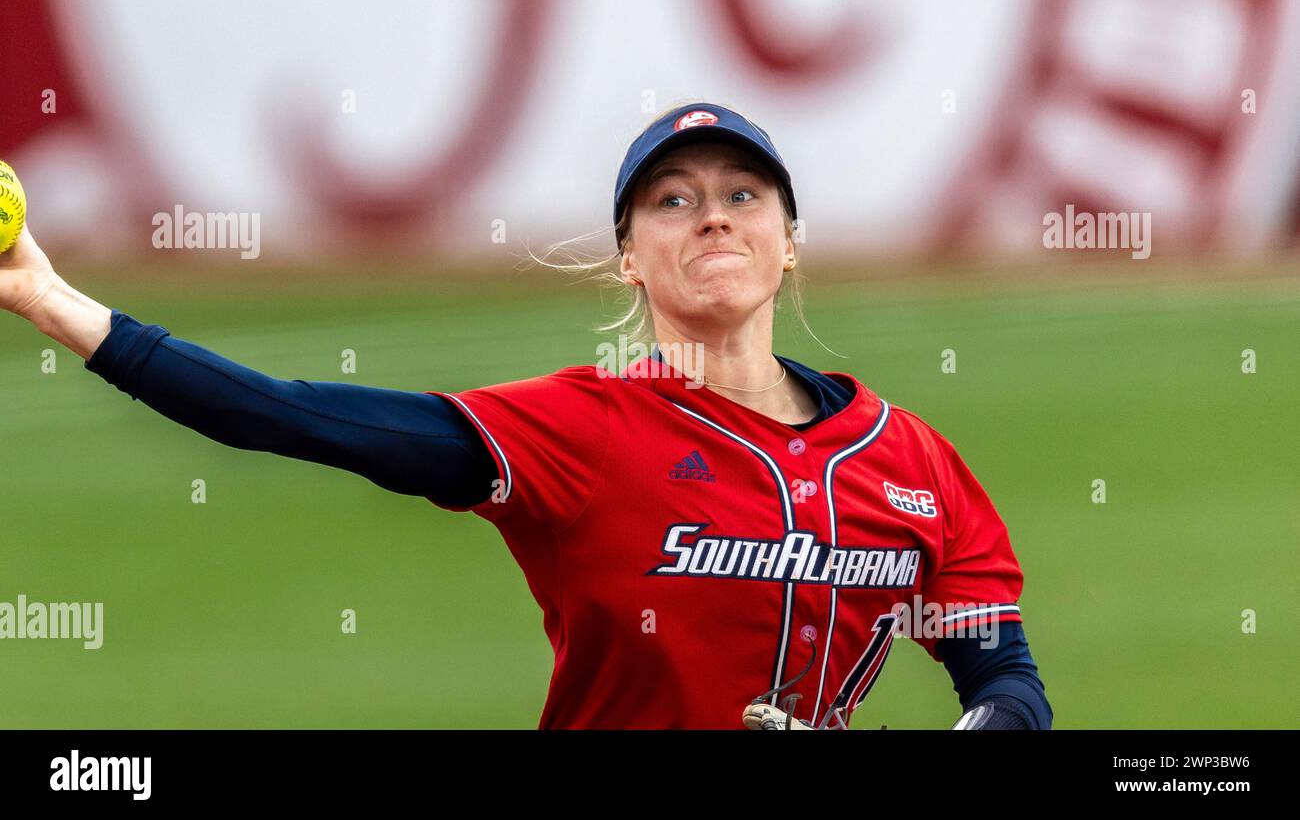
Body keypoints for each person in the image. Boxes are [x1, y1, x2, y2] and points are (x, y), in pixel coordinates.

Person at [0, 101, 1051, 730]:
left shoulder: (907, 458)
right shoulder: (580, 433)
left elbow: (1002, 675)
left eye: (743, 194)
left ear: (790, 240)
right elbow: (290, 416)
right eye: (672, 199)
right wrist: (55, 301)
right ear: (630, 257)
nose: (713, 216)